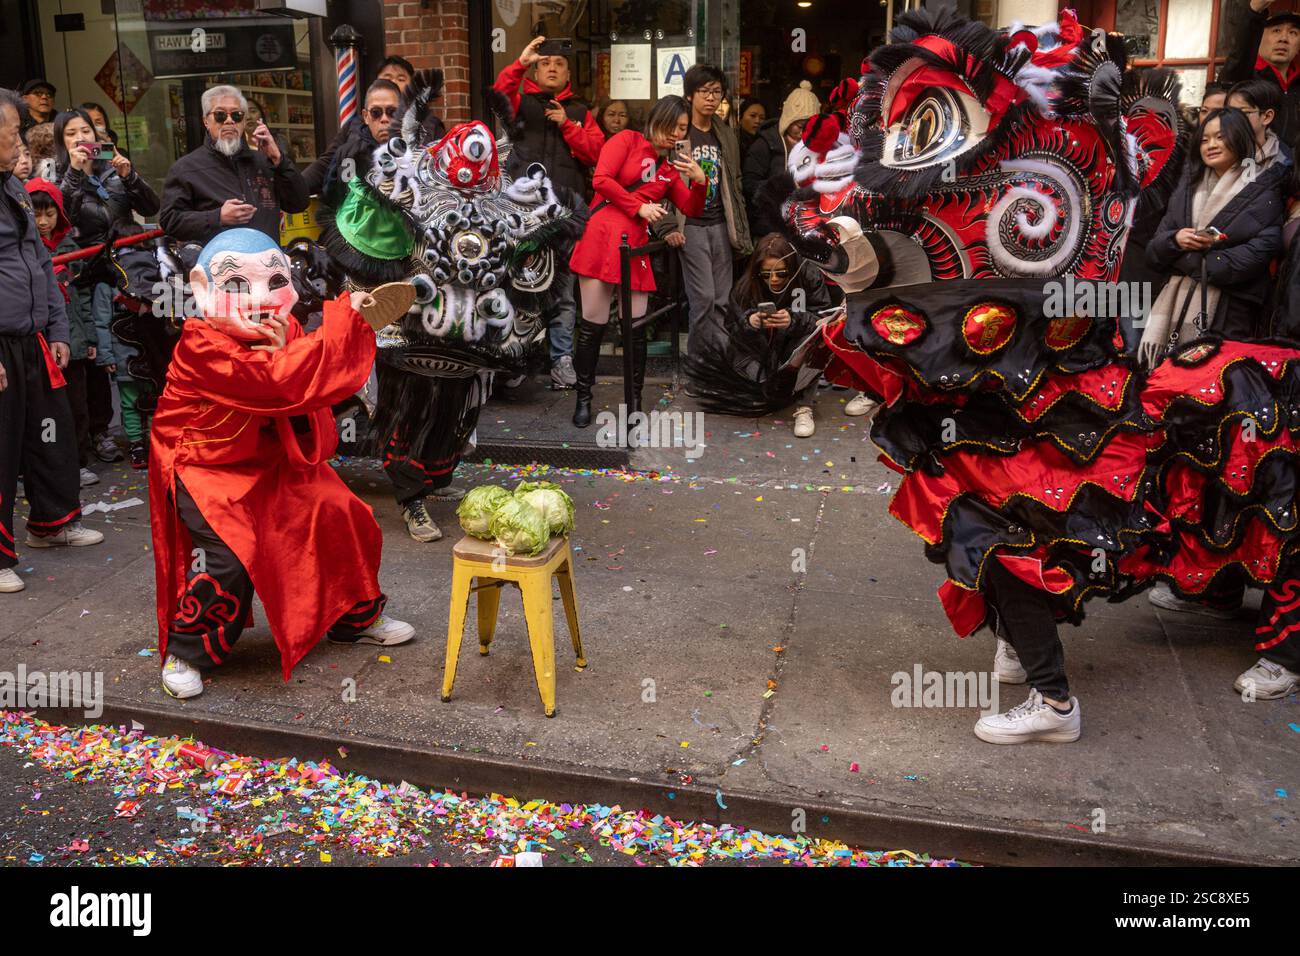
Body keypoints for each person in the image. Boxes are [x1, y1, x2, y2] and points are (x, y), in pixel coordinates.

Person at [150, 227, 415, 699]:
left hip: (271, 461)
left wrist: (292, 348)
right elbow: (277, 383)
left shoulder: (286, 329)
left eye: (275, 282)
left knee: (341, 511)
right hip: (205, 466)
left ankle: (354, 618)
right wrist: (345, 326)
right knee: (227, 556)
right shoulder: (199, 345)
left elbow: (301, 390)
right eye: (236, 285)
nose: (261, 297)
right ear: (201, 288)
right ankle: (187, 649)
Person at [0, 88, 104, 596]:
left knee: (50, 434)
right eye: (12, 131)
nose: (19, 141)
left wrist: (57, 329)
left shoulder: (16, 190)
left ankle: (52, 524)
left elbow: (41, 263)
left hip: (34, 338)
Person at [569, 95, 707, 427]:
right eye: (672, 126)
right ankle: (583, 398)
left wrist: (701, 181)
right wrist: (639, 206)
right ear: (656, 119)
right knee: (593, 323)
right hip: (601, 238)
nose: (675, 134)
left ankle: (635, 404)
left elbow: (691, 209)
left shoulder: (671, 169)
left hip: (636, 248)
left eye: (683, 129)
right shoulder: (626, 140)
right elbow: (601, 179)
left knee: (636, 329)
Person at [494, 35, 605, 389]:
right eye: (545, 63)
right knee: (515, 287)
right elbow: (499, 94)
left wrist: (567, 125)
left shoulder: (580, 111)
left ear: (568, 71)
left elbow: (597, 155)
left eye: (559, 63)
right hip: (522, 212)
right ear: (536, 70)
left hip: (566, 215)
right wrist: (520, 62)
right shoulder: (520, 102)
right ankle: (514, 360)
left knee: (563, 291)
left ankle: (561, 362)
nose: (552, 67)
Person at [55, 107, 161, 467]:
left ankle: (150, 426)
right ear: (62, 141)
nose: (81, 139)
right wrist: (74, 172)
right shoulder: (58, 175)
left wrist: (129, 177)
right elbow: (61, 221)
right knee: (95, 357)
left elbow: (152, 206)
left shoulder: (113, 167)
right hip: (86, 274)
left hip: (127, 267)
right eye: (71, 133)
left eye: (86, 130)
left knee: (143, 342)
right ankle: (98, 433)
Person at [1141, 108, 1285, 364]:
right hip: (1173, 303)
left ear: (1240, 138)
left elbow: (1264, 248)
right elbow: (1154, 250)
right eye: (1205, 139)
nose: (1211, 145)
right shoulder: (1187, 186)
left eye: (1220, 137)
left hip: (1229, 312)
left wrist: (1199, 262)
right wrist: (1175, 241)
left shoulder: (1264, 188)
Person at [684, 233, 838, 437]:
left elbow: (824, 318)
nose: (773, 279)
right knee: (760, 390)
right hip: (760, 354)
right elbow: (731, 326)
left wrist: (794, 321)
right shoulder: (747, 284)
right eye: (766, 274)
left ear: (791, 268)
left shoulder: (807, 274)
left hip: (794, 350)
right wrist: (750, 321)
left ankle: (804, 407)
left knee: (815, 342)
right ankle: (768, 388)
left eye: (781, 273)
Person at [159, 84, 310, 245]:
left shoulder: (265, 162)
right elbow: (170, 220)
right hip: (216, 265)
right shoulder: (186, 168)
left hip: (267, 263)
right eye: (220, 115)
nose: (229, 121)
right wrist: (218, 217)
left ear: (244, 121)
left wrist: (279, 160)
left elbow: (298, 203)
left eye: (237, 115)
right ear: (206, 121)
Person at [25, 178, 100, 487]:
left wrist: (91, 338)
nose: (43, 222)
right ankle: (48, 465)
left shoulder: (71, 248)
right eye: (36, 214)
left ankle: (79, 461)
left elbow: (83, 299)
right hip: (38, 345)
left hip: (75, 343)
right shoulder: (23, 248)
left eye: (50, 214)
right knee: (45, 413)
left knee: (77, 408)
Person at [678, 63, 752, 337]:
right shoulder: (680, 131)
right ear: (689, 95)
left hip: (721, 223)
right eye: (704, 91)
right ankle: (699, 365)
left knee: (722, 300)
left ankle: (717, 363)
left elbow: (735, 182)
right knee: (704, 299)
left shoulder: (725, 133)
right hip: (691, 224)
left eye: (717, 92)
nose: (711, 98)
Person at [304, 78, 401, 208]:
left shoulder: (415, 149)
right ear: (366, 116)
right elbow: (334, 197)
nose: (384, 119)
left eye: (392, 112)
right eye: (376, 113)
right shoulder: (350, 154)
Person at [743, 81, 819, 245]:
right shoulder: (765, 144)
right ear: (788, 120)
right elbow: (748, 185)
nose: (804, 132)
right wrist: (782, 186)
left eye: (810, 127)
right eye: (800, 126)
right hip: (769, 229)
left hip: (804, 227)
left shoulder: (816, 147)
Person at [1221, 0, 1300, 144]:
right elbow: (1237, 62)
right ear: (1259, 37)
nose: (1284, 39)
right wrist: (1254, 12)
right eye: (1276, 31)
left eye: (1293, 33)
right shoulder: (1246, 78)